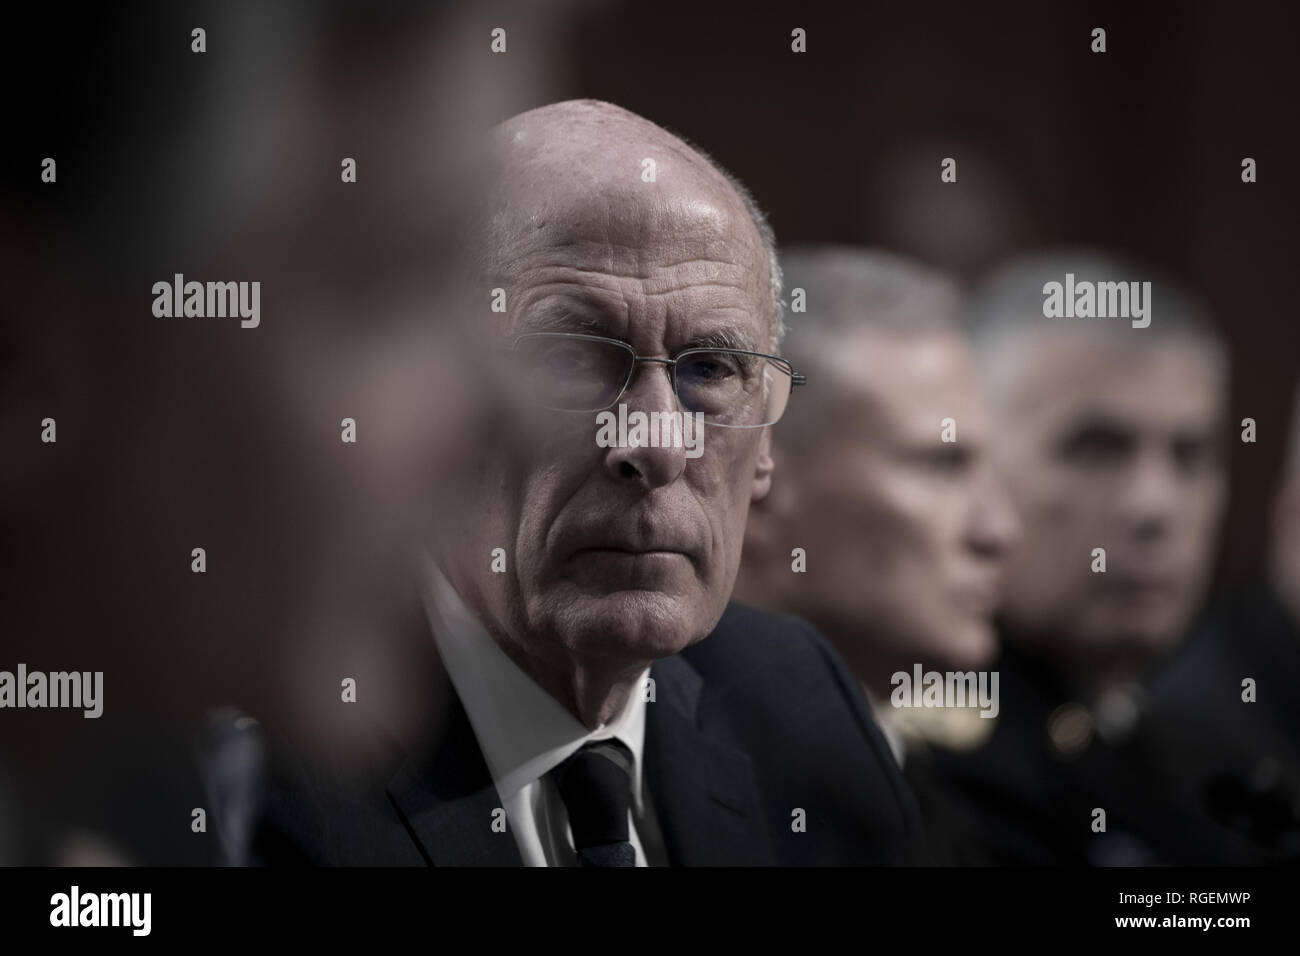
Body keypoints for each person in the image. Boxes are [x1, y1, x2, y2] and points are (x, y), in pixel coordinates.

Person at [240, 100, 921, 866]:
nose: (656, 443)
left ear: (764, 449)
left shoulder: (794, 703)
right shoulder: (269, 775)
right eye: (573, 358)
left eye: (709, 369)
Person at [931, 249, 1233, 865]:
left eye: (1190, 455)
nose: (1155, 506)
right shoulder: (919, 769)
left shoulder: (1209, 755)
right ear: (967, 463)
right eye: (1096, 449)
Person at [733, 247, 1018, 861]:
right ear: (760, 485)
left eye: (992, 473)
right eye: (942, 467)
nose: (999, 530)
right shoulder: (674, 802)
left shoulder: (940, 801)